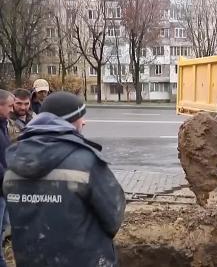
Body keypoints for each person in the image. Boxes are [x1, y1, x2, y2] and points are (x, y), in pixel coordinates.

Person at [3, 92, 126, 267]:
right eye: (80, 117)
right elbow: (113, 217)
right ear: (70, 121)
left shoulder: (14, 160)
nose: (84, 122)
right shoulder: (86, 161)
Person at [0, 90, 14, 267]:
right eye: (9, 106)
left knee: (4, 229)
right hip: (2, 185)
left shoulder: (3, 124)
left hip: (3, 189)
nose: (12, 109)